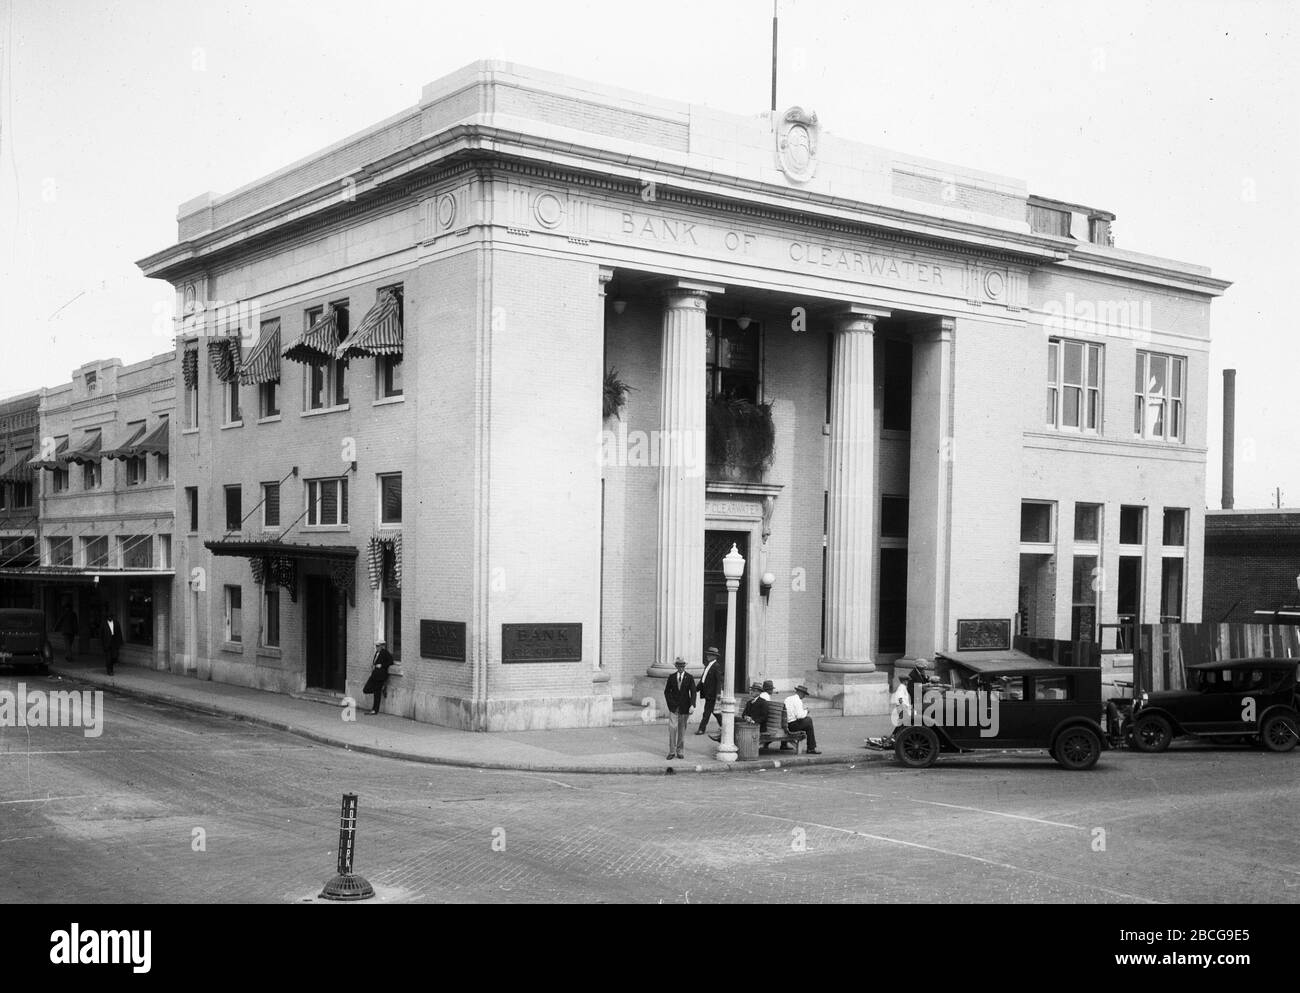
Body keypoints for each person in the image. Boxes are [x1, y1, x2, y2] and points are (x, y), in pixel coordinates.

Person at [866, 659, 939, 750]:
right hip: (903, 708)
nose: (907, 682)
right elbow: (900, 699)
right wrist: (904, 707)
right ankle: (895, 736)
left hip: (905, 707)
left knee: (903, 723)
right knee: (904, 722)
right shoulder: (901, 688)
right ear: (904, 681)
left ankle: (895, 736)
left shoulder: (903, 687)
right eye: (906, 681)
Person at [663, 656, 696, 760]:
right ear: (676, 666)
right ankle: (672, 751)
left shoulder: (689, 677)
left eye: (682, 665)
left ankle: (680, 751)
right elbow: (667, 692)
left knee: (682, 730)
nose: (681, 667)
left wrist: (692, 705)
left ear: (684, 666)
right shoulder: (671, 677)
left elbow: (693, 692)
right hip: (674, 708)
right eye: (679, 665)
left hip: (685, 708)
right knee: (672, 729)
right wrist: (671, 705)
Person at [784, 684, 820, 754]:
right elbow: (799, 716)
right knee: (809, 720)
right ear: (801, 693)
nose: (804, 696)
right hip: (792, 726)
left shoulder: (788, 698)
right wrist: (806, 711)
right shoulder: (798, 701)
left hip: (785, 724)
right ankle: (811, 748)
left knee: (806, 721)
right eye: (804, 694)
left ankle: (783, 744)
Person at [362, 640, 394, 714]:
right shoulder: (377, 653)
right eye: (376, 646)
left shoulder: (385, 652)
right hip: (374, 675)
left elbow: (391, 661)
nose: (376, 647)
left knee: (377, 694)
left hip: (380, 676)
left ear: (382, 646)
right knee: (366, 689)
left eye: (378, 646)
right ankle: (380, 689)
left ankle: (375, 710)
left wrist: (382, 665)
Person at [695, 646, 721, 735]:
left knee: (706, 712)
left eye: (710, 655)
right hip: (707, 693)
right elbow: (703, 680)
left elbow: (718, 681)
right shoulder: (708, 665)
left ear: (715, 656)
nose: (708, 656)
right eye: (708, 654)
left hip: (712, 694)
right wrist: (695, 689)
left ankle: (701, 729)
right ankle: (725, 727)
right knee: (715, 712)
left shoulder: (716, 666)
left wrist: (718, 694)